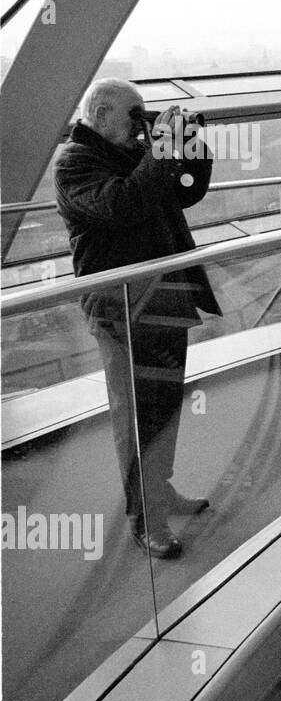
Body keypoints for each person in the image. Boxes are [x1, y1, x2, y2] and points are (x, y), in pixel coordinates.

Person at [54, 78, 220, 559]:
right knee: (135, 415)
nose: (141, 123)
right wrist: (162, 152)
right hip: (120, 306)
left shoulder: (126, 150)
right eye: (136, 114)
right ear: (101, 113)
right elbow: (123, 204)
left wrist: (190, 149)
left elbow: (183, 195)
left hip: (165, 296)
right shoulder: (74, 163)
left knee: (165, 405)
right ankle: (145, 517)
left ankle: (160, 488)